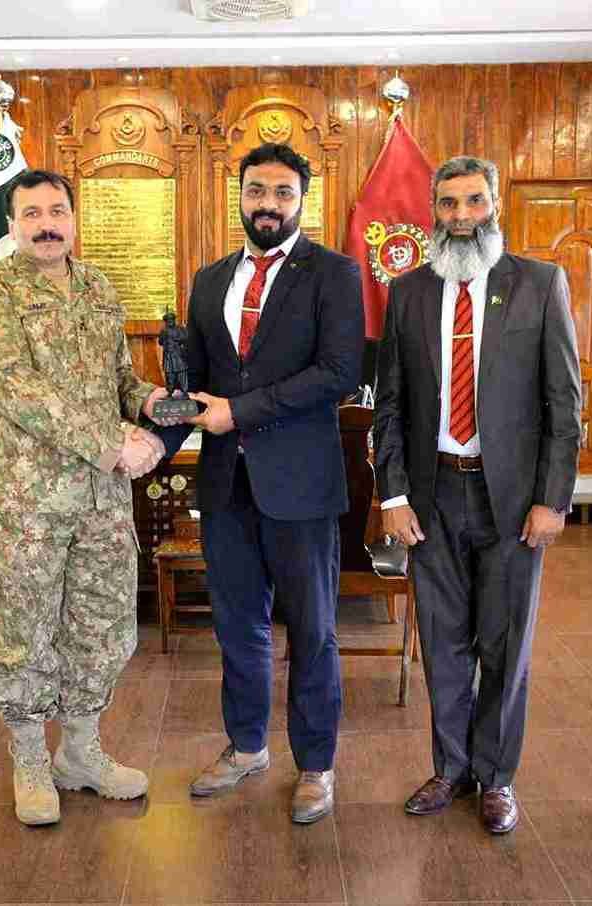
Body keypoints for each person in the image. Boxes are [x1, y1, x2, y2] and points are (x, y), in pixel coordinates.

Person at [370, 155, 581, 834]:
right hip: (431, 498)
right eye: (449, 204)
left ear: (495, 205)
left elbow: (563, 403)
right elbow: (391, 407)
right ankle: (451, 768)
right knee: (442, 642)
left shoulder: (540, 285)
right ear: (434, 212)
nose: (461, 216)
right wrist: (392, 494)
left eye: (473, 202)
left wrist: (554, 499)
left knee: (506, 643)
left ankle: (496, 778)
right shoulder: (407, 293)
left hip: (514, 503)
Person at [156, 142, 363, 825]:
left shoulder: (332, 273)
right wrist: (169, 406)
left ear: (303, 198)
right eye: (255, 191)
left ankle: (315, 764)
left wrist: (237, 412)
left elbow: (337, 372)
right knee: (237, 628)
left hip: (301, 487)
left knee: (312, 631)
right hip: (226, 486)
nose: (267, 203)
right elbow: (200, 378)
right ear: (238, 197)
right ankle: (246, 746)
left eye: (280, 191)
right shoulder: (210, 278)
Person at [0, 168, 171, 826]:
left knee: (101, 630)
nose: (46, 224)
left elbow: (117, 381)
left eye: (57, 211)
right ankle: (29, 761)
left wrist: (152, 403)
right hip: (26, 506)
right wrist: (114, 447)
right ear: (12, 225)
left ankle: (79, 752)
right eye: (31, 214)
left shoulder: (97, 288)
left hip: (100, 506)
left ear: (74, 219)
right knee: (25, 637)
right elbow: (21, 393)